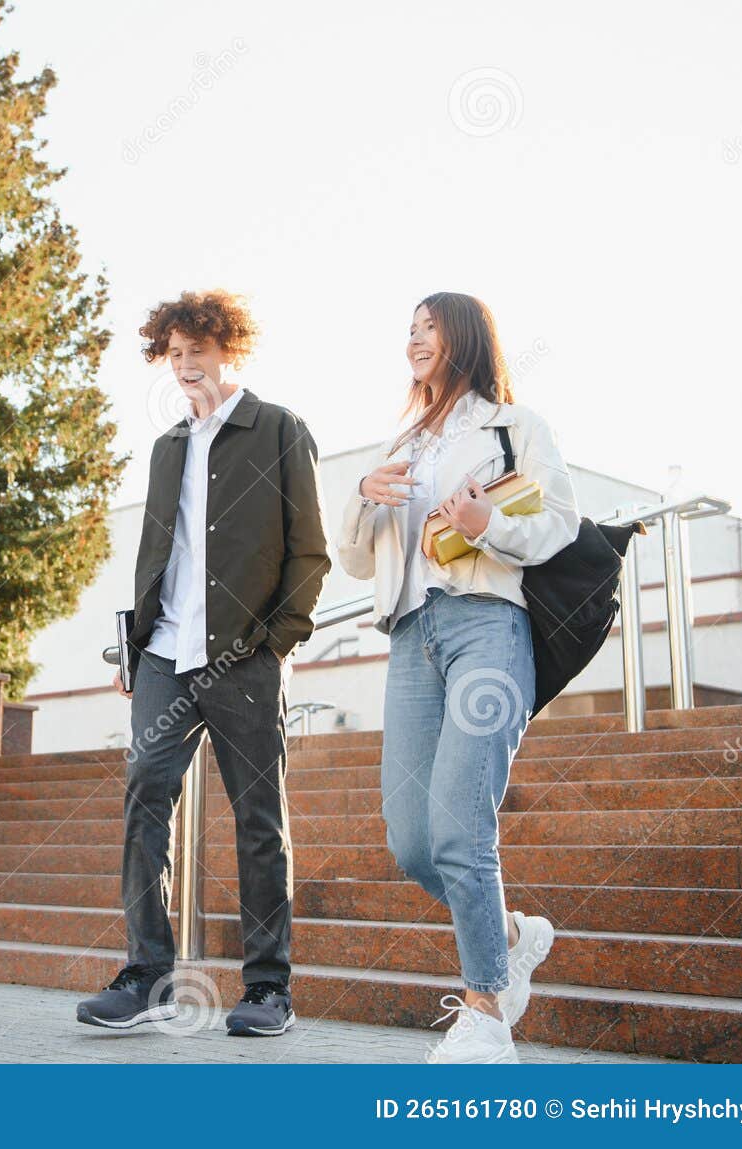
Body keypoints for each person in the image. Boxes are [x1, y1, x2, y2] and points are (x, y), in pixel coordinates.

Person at [76, 289, 330, 1037]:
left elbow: (308, 552)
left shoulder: (279, 428)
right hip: (164, 656)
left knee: (258, 818)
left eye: (199, 350)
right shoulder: (167, 448)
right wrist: (137, 643)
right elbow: (158, 556)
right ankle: (148, 973)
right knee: (144, 794)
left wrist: (275, 644)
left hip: (244, 657)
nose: (186, 365)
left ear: (231, 349)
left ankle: (268, 989)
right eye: (175, 353)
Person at [338, 292, 578, 1062]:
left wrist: (488, 526)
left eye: (428, 327)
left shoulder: (515, 427)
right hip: (411, 637)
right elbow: (354, 559)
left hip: (486, 627)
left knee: (460, 827)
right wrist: (360, 500)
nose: (413, 339)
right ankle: (510, 935)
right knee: (412, 841)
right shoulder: (403, 439)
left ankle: (485, 1012)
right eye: (407, 328)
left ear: (463, 337)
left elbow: (562, 524)